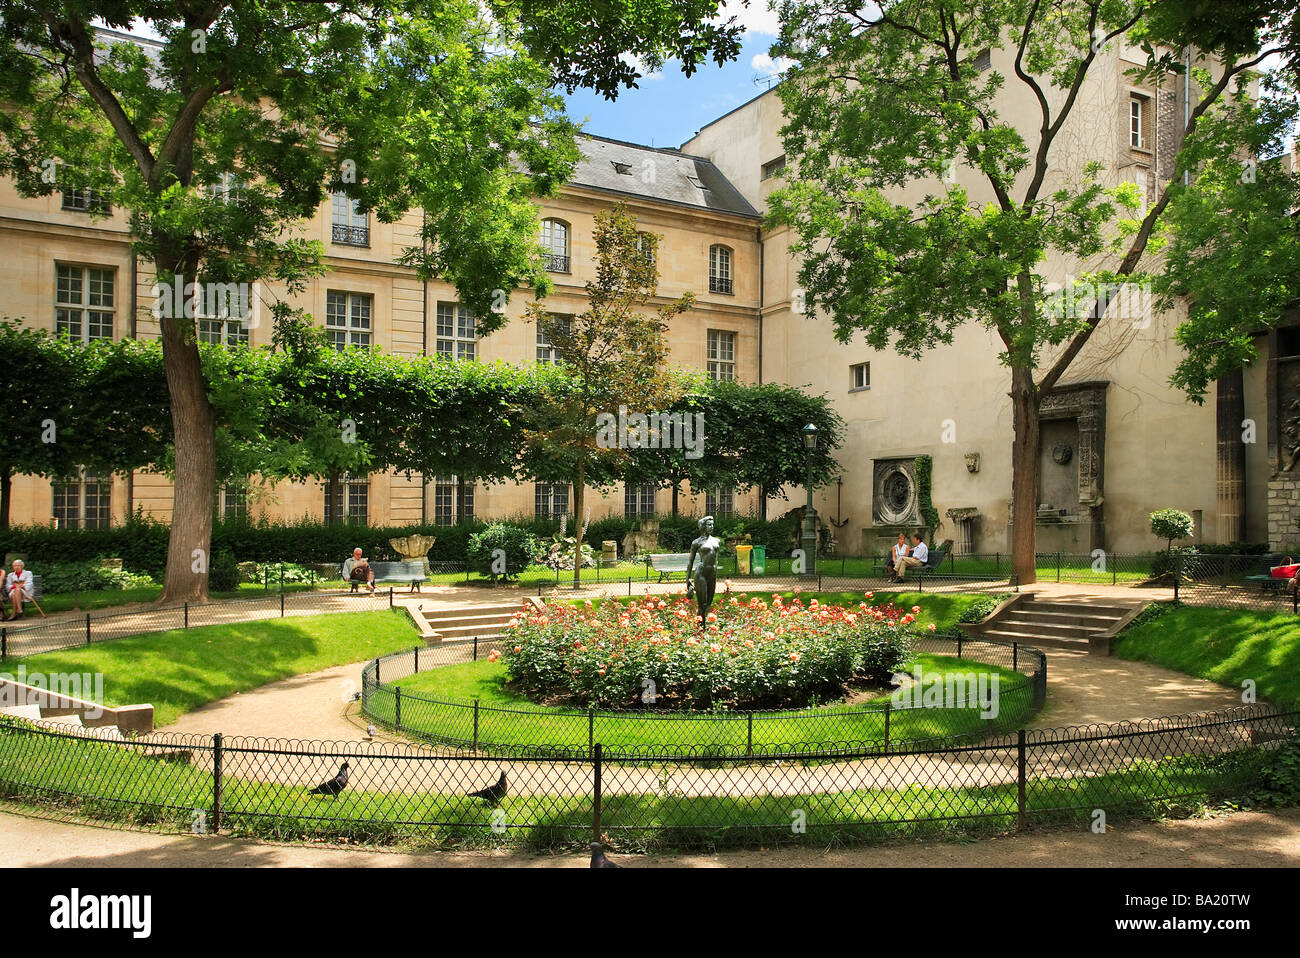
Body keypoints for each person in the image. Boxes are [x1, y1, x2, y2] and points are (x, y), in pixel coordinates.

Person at [684, 515, 721, 625]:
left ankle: (704, 625)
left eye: (713, 524)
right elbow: (690, 561)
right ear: (703, 526)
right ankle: (700, 628)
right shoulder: (696, 542)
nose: (712, 526)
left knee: (709, 603)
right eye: (709, 524)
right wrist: (687, 580)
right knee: (702, 603)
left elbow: (716, 559)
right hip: (701, 574)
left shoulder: (717, 541)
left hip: (712, 574)